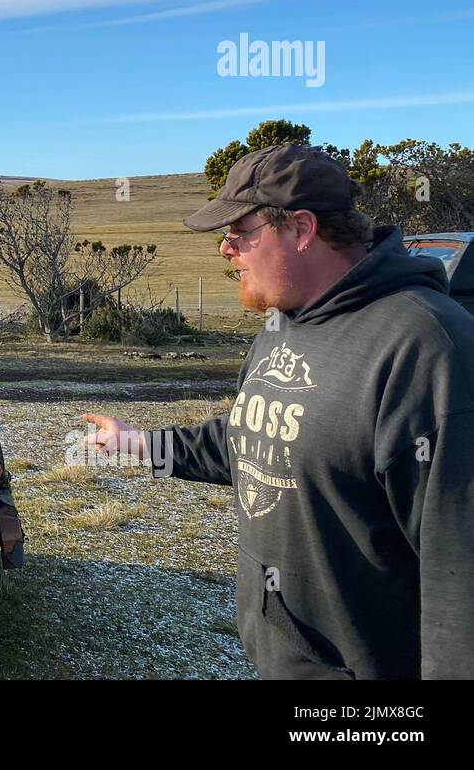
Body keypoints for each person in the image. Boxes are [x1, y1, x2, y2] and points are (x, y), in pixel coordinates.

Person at [83, 143, 474, 679]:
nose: (225, 248)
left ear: (302, 228)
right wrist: (141, 446)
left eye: (239, 232)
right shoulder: (285, 321)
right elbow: (259, 436)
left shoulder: (427, 348)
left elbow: (460, 578)